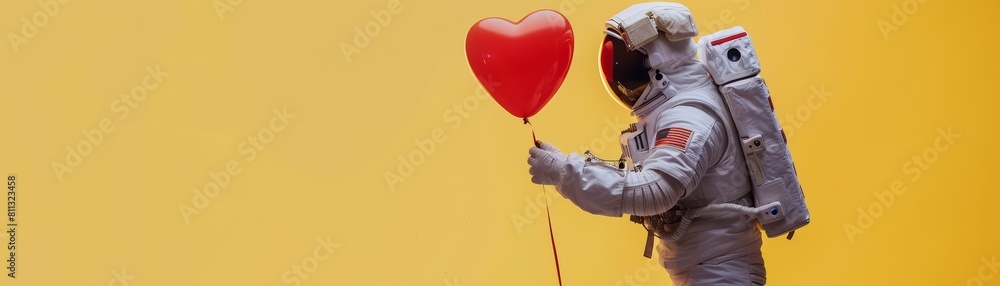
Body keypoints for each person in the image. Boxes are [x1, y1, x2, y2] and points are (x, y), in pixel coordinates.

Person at [526, 2, 766, 285]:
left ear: (654, 63)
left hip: (721, 270)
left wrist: (565, 172)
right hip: (711, 266)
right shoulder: (685, 104)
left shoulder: (690, 116)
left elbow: (656, 190)